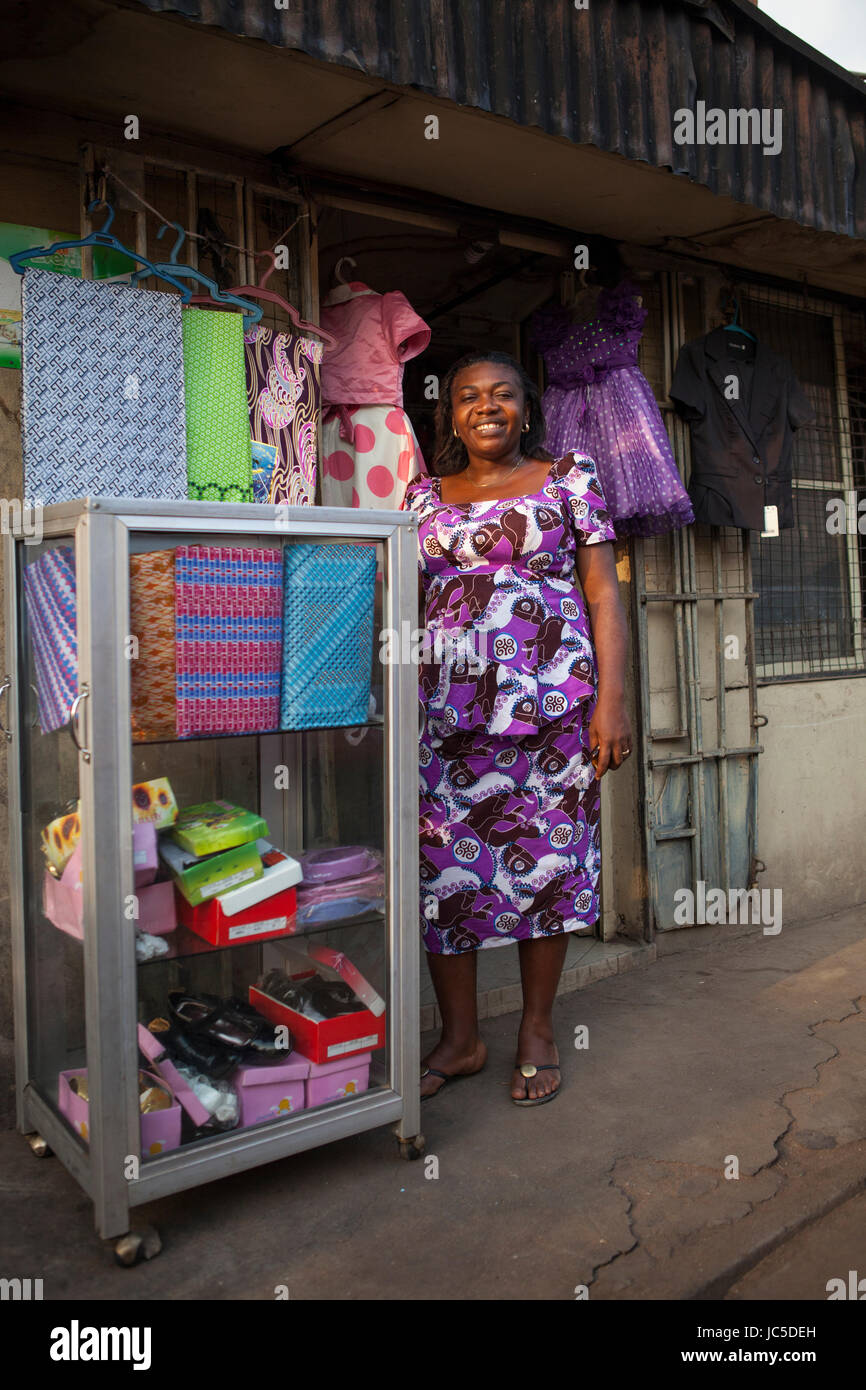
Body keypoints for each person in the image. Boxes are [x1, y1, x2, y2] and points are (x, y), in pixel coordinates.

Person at [400, 351, 632, 1106]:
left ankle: (536, 1029)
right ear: (451, 415)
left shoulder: (570, 478)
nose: (486, 406)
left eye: (502, 394)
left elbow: (602, 592)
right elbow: (404, 603)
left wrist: (613, 702)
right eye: (469, 397)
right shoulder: (422, 496)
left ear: (527, 409)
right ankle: (461, 1038)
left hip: (555, 708)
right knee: (447, 875)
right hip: (447, 717)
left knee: (547, 865)